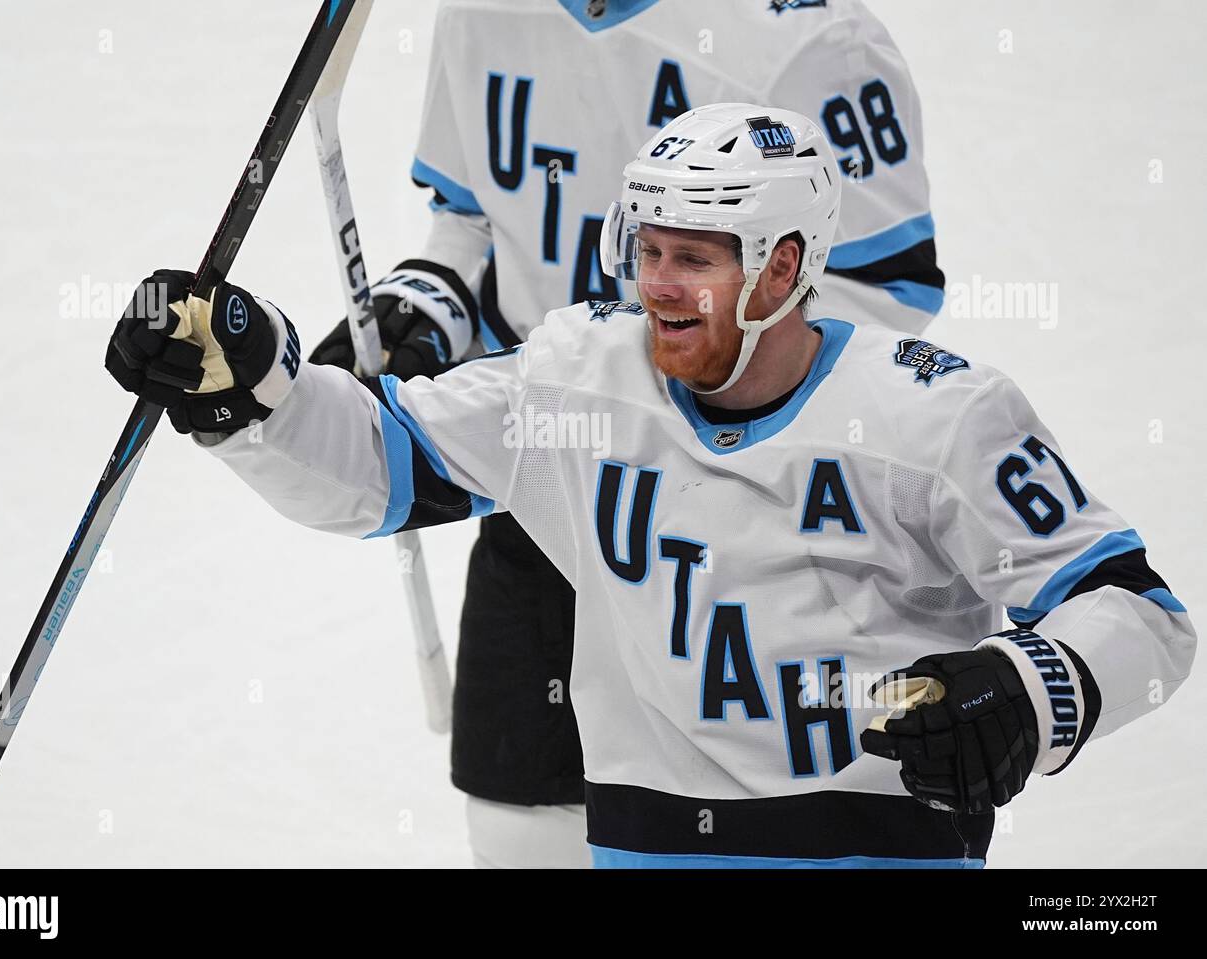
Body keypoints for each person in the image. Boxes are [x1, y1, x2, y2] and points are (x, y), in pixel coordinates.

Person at [105, 104, 1195, 867]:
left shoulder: (932, 414)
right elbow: (376, 470)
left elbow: (1142, 613)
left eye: (696, 259)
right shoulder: (582, 377)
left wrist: (1034, 685)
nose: (657, 286)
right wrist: (249, 397)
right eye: (648, 248)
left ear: (780, 266)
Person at [308, 0, 945, 867]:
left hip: (736, 516)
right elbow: (470, 227)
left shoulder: (810, 39)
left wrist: (647, 380)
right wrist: (420, 309)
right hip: (545, 483)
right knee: (516, 818)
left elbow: (882, 301)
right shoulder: (481, 15)